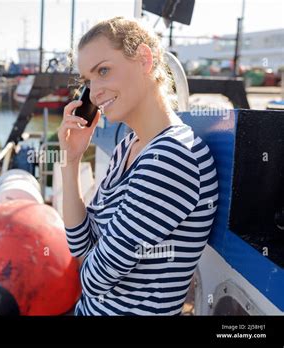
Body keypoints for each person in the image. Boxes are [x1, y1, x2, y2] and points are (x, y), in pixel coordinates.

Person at [58, 17, 218, 315]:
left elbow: (94, 279)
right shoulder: (129, 147)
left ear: (145, 59)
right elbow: (81, 244)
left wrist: (94, 255)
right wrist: (71, 160)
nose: (93, 93)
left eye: (103, 71)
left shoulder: (172, 158)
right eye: (88, 81)